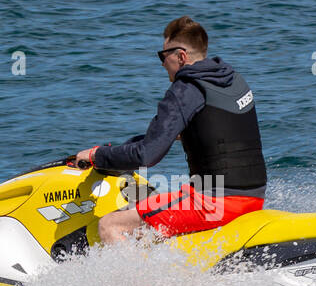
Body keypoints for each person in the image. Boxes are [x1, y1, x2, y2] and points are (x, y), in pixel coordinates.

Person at [75, 16, 266, 243]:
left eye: (163, 56)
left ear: (181, 56)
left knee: (110, 225)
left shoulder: (185, 90)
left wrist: (97, 155)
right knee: (149, 214)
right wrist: (122, 148)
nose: (162, 63)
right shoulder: (233, 79)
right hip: (254, 196)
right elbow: (214, 132)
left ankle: (138, 281)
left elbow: (147, 155)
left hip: (215, 202)